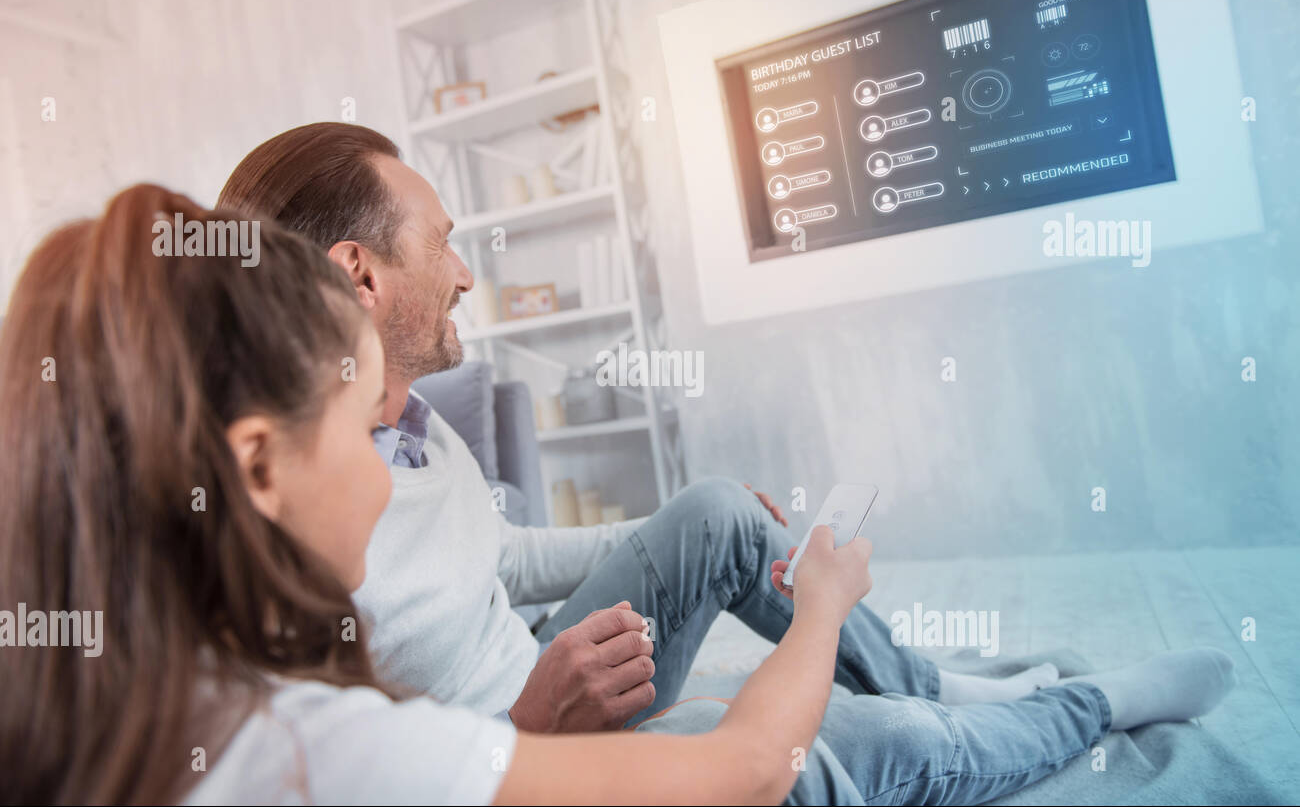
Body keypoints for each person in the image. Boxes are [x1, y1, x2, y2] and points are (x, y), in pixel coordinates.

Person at [0, 185, 1236, 805]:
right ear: (261, 464)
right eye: (349, 435)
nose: (377, 479)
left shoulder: (176, 685)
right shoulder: (320, 747)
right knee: (863, 747)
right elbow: (749, 764)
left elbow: (494, 565)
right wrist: (816, 608)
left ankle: (985, 690)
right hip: (527, 736)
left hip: (511, 732)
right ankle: (1090, 704)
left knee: (711, 524)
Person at [215, 123, 1070, 733]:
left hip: (547, 669)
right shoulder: (294, 517)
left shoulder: (419, 430)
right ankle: (1024, 715)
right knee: (849, 757)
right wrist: (529, 718)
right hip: (522, 747)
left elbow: (500, 557)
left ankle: (925, 685)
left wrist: (671, 529)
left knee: (718, 508)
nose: (468, 275)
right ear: (361, 275)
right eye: (443, 245)